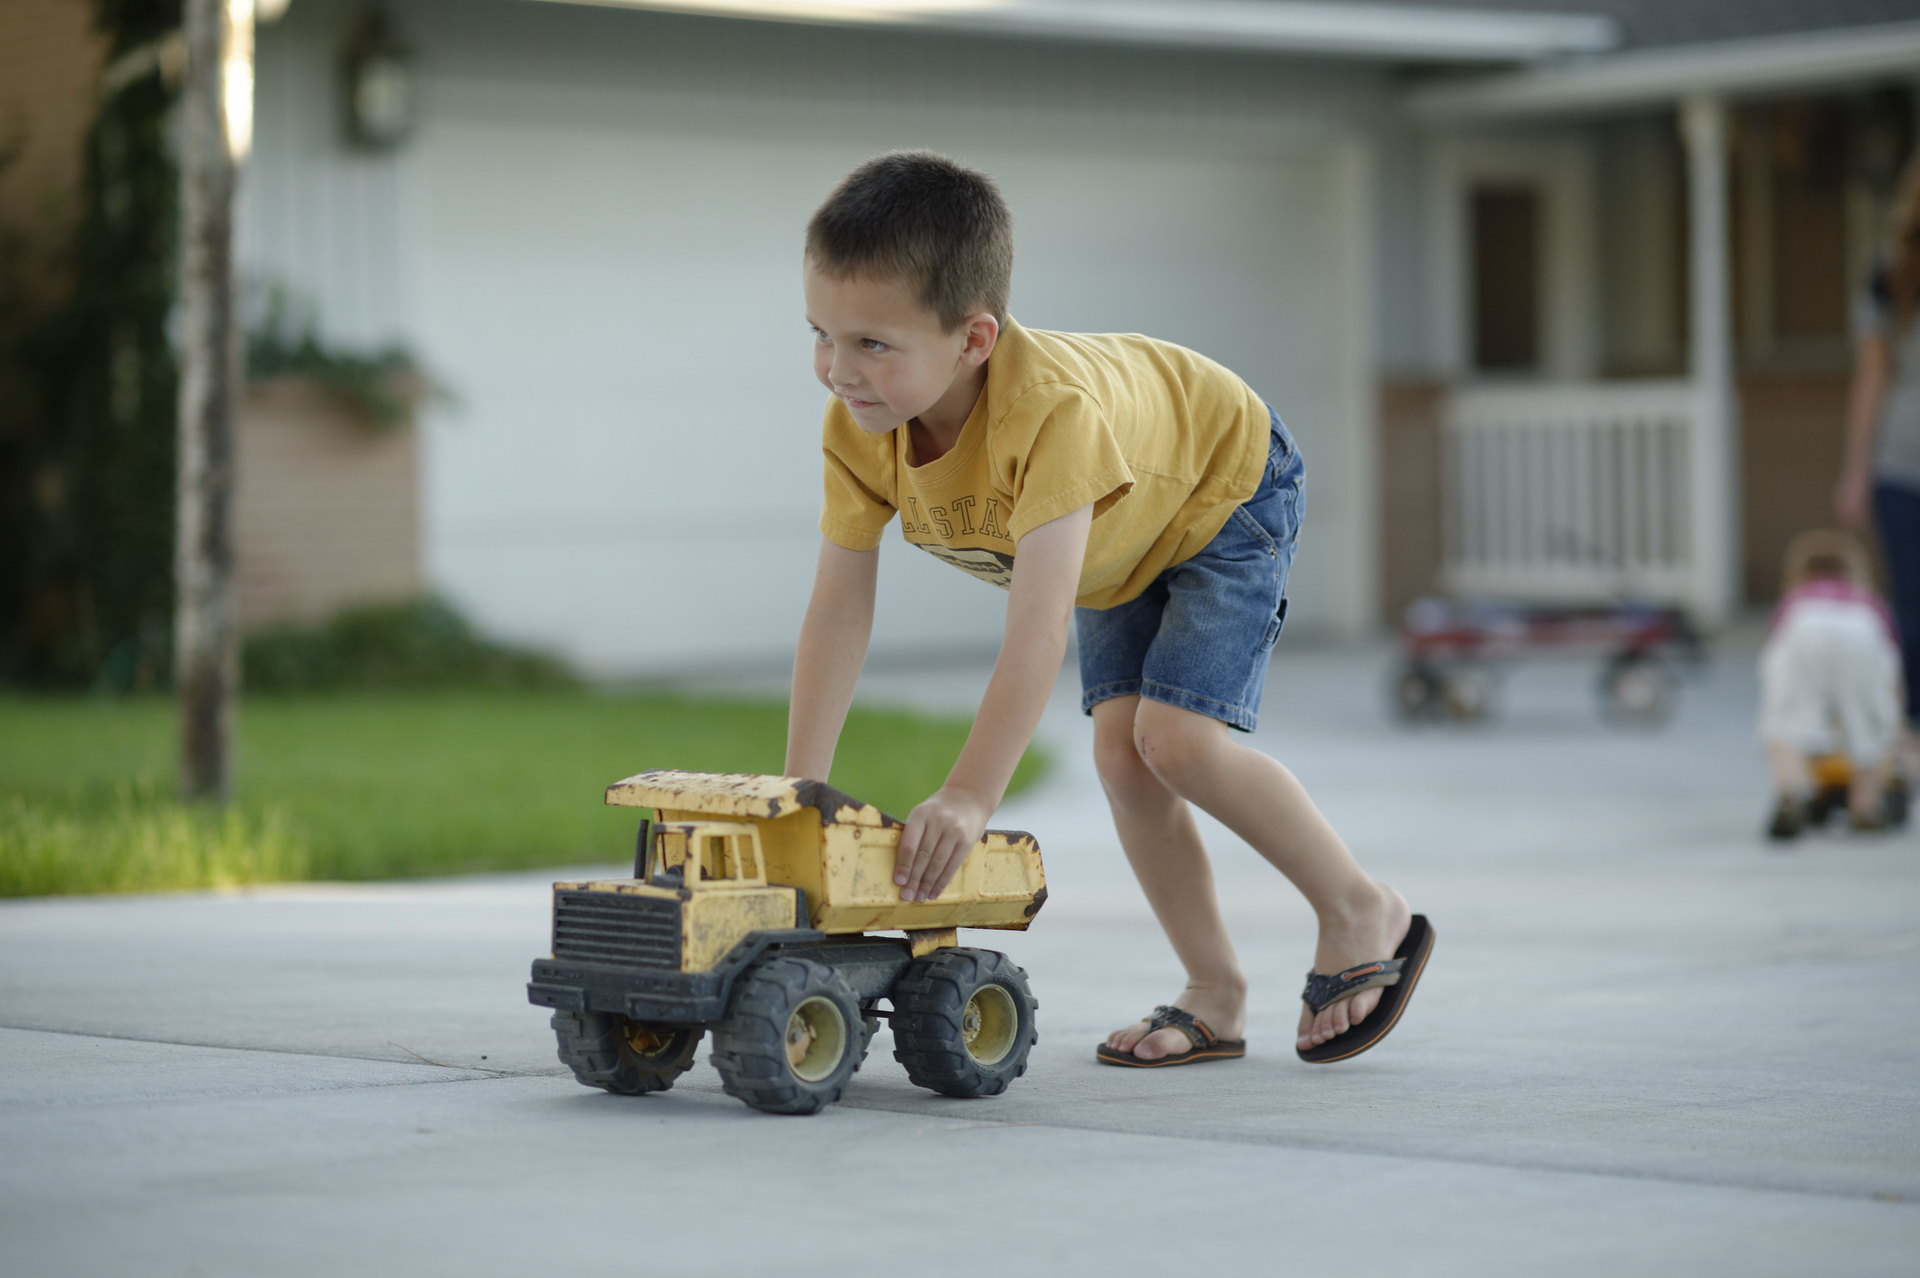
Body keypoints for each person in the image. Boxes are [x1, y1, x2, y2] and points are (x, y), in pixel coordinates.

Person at [783, 151, 1432, 1066]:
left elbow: (1036, 628)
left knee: (1175, 742)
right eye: (820, 333)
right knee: (1123, 764)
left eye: (872, 345)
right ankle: (1215, 991)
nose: (836, 372)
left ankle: (1364, 908)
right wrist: (800, 794)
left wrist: (971, 795)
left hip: (1220, 487)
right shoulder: (859, 426)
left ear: (974, 340)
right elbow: (839, 610)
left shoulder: (1048, 417)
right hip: (1120, 545)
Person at [1835, 152, 1920, 762]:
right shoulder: (1890, 275)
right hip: (1903, 464)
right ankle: (1907, 738)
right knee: (1912, 611)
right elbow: (1871, 377)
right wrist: (1855, 471)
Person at [1759, 529, 1904, 840]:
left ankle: (1790, 792)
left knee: (1785, 719)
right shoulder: (1868, 600)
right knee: (1871, 722)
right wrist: (1894, 722)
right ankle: (1866, 804)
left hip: (1803, 627)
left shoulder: (1796, 598)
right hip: (1861, 630)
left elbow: (1777, 666)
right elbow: (1888, 675)